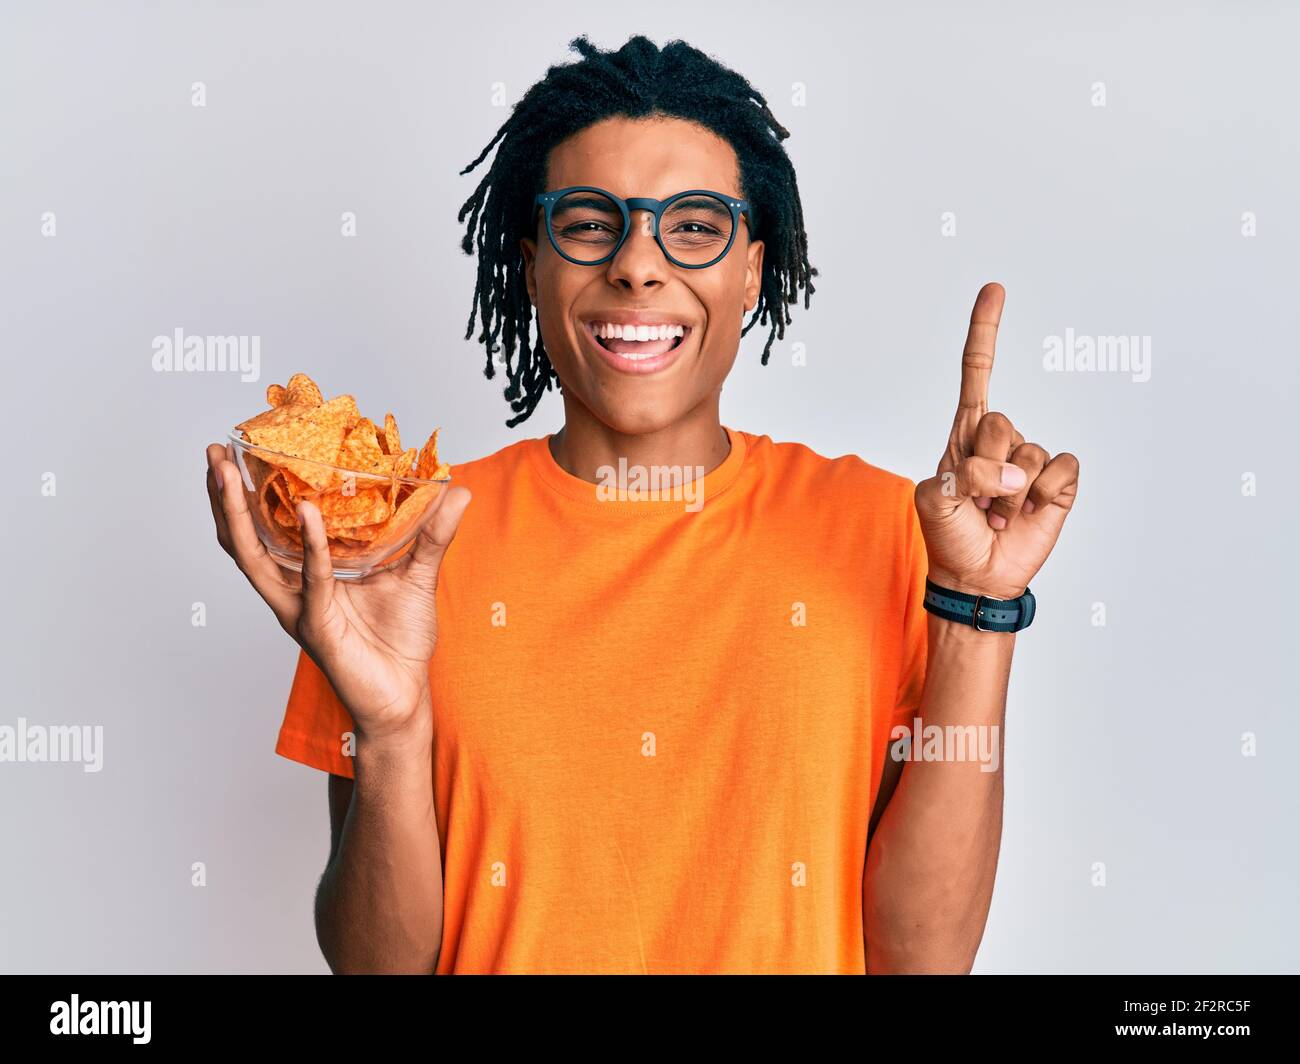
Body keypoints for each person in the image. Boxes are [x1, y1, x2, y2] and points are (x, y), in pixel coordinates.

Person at [204, 34, 1078, 974]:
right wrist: (385, 734)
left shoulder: (890, 534)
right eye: (589, 223)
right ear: (532, 263)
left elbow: (922, 960)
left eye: (694, 227)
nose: (638, 265)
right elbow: (382, 969)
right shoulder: (405, 546)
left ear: (752, 271)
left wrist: (977, 614)